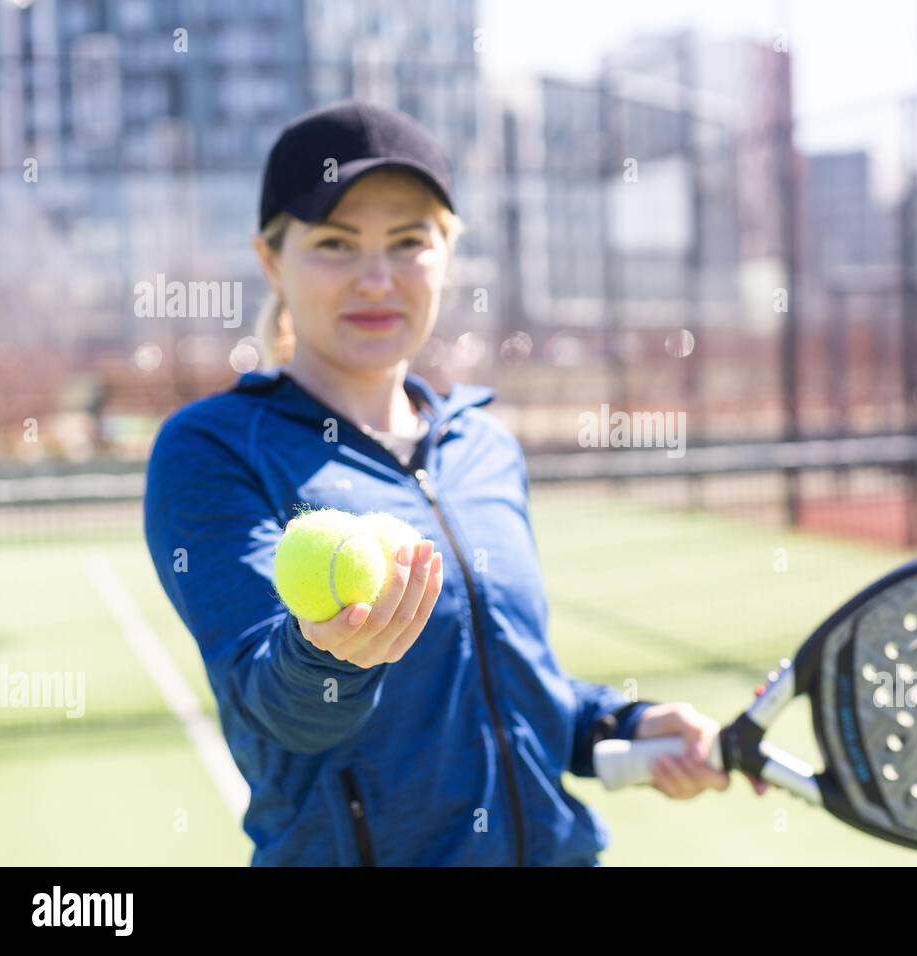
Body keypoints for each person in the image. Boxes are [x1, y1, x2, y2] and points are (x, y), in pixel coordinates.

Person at [143, 99, 761, 867]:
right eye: (336, 244)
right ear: (272, 261)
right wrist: (331, 654)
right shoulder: (211, 448)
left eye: (410, 242)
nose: (377, 279)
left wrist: (622, 725)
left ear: (448, 253)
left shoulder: (484, 446)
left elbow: (516, 692)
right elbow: (275, 709)